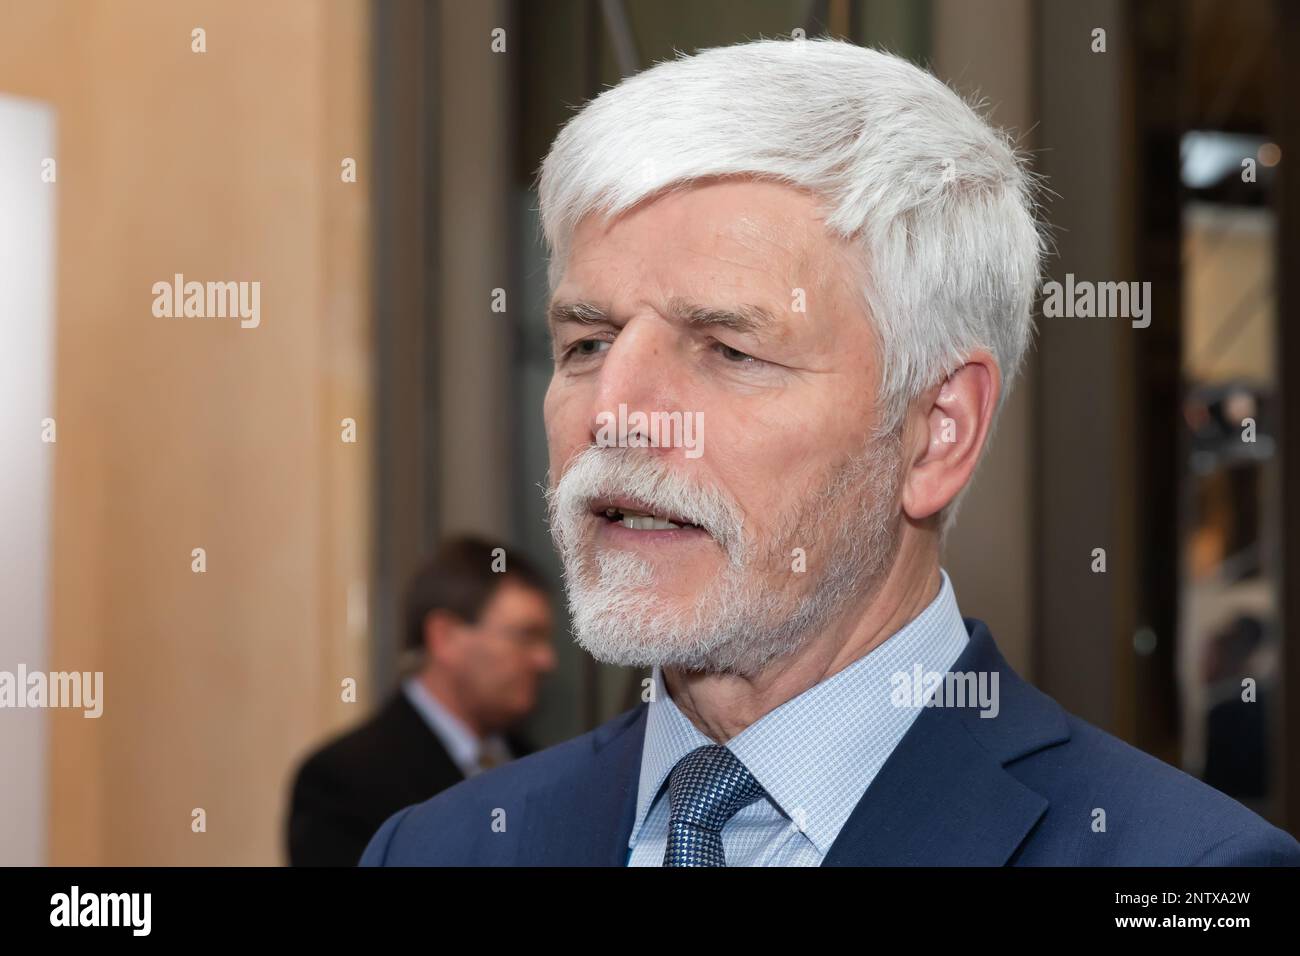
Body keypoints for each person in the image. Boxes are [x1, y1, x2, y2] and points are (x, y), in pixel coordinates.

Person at [361, 39, 1300, 866]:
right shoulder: (437, 847)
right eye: (586, 344)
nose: (617, 414)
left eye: (729, 350)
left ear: (940, 431)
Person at [287, 536, 555, 865]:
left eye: (544, 639)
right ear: (444, 638)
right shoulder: (344, 778)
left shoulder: (538, 764)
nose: (545, 660)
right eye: (525, 636)